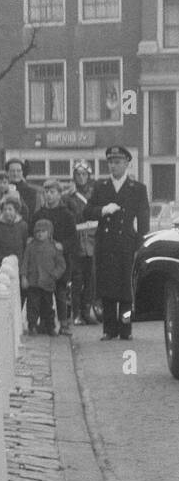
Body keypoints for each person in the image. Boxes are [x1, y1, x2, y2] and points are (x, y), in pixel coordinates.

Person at [82, 146, 150, 341]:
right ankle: (109, 329)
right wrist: (103, 210)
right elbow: (87, 211)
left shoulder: (137, 188)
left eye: (118, 162)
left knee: (126, 290)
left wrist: (140, 244)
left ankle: (126, 329)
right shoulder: (101, 187)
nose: (114, 166)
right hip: (106, 243)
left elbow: (143, 220)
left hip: (127, 244)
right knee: (107, 288)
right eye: (111, 162)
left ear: (127, 163)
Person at [38, 180, 79, 336]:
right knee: (44, 293)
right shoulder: (40, 214)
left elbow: (73, 238)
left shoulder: (66, 214)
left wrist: (63, 245)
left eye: (52, 192)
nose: (49, 195)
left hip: (61, 260)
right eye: (46, 192)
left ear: (59, 194)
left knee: (61, 293)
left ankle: (64, 323)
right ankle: (46, 323)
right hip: (43, 261)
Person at [21, 218, 65, 337]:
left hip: (47, 282)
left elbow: (61, 264)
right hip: (33, 282)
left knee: (48, 306)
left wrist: (55, 275)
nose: (40, 234)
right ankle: (32, 325)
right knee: (32, 305)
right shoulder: (31, 247)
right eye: (38, 231)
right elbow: (25, 262)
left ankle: (50, 327)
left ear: (49, 232)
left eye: (43, 231)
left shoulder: (54, 247)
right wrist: (24, 276)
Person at [66, 161, 97, 325]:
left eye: (84, 174)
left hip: (92, 241)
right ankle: (76, 313)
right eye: (78, 174)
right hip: (77, 242)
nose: (81, 177)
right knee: (77, 279)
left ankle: (86, 311)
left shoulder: (94, 195)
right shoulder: (69, 196)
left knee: (90, 279)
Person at [0, 198, 28, 289]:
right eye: (5, 209)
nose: (7, 212)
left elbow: (25, 246)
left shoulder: (23, 226)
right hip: (1, 265)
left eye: (10, 209)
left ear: (16, 211)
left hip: (18, 265)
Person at [5, 157, 40, 224]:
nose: (15, 174)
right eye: (12, 171)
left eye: (18, 171)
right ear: (7, 172)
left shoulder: (31, 192)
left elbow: (31, 214)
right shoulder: (1, 189)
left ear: (22, 172)